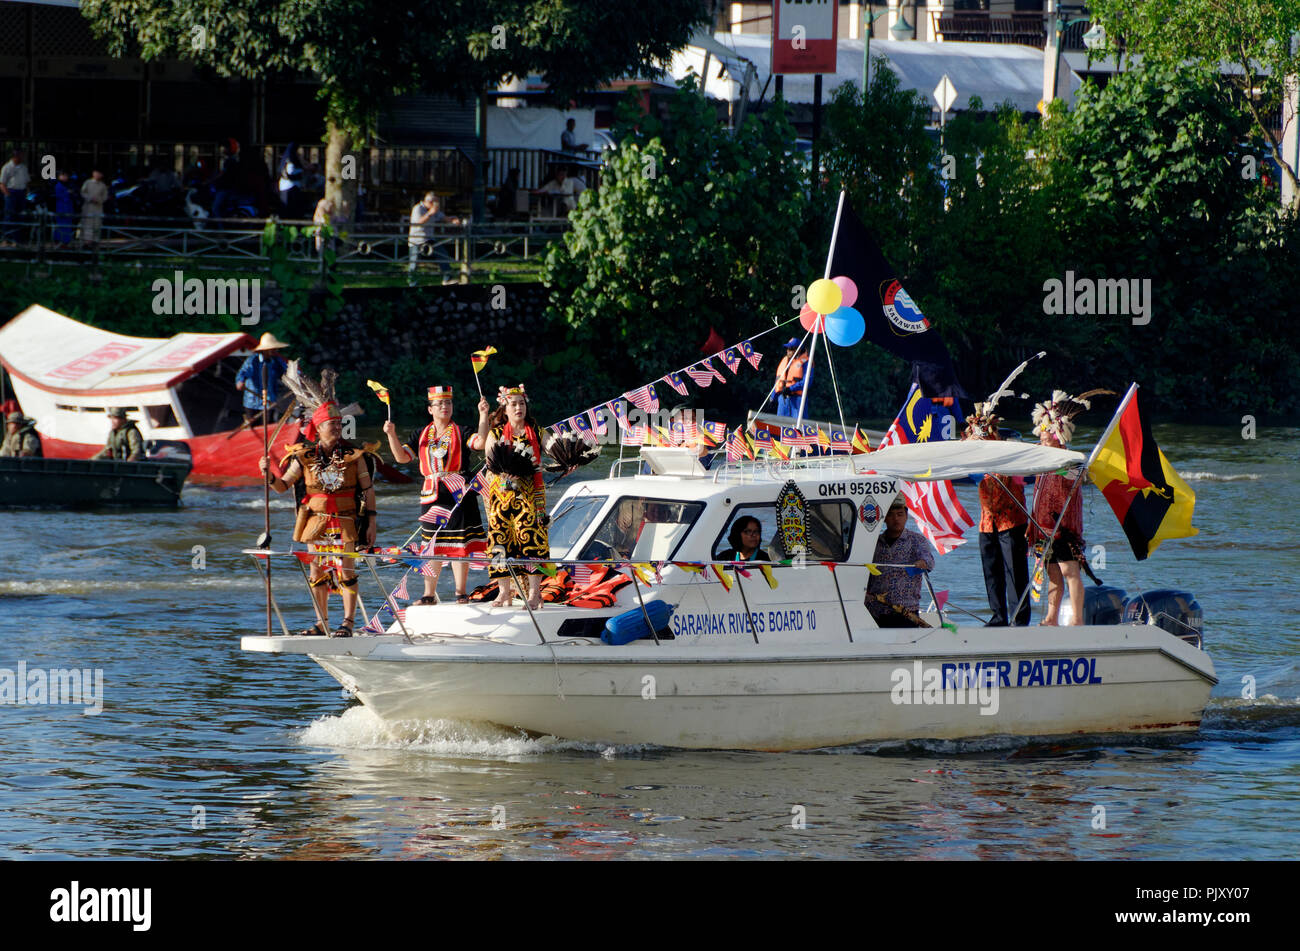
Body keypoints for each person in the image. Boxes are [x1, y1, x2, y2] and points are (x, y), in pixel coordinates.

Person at [260, 391, 377, 638]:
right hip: (315, 523)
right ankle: (321, 622)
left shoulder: (355, 457)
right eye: (330, 424)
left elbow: (367, 490)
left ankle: (347, 622)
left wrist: (372, 522)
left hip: (345, 521)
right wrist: (268, 475)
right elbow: (282, 486)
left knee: (347, 570)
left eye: (338, 423)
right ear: (318, 427)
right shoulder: (303, 457)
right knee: (317, 572)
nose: (336, 427)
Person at [383, 386, 491, 604]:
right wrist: (391, 434)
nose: (445, 407)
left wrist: (483, 415)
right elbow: (402, 458)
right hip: (432, 492)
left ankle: (461, 592)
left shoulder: (461, 431)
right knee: (431, 543)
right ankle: (428, 594)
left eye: (448, 403)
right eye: (440, 404)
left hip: (458, 489)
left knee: (461, 541)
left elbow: (480, 443)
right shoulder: (420, 434)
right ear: (430, 409)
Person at [1025, 389, 1108, 626]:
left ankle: (1077, 619)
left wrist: (1058, 468)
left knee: (1070, 571)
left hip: (1063, 526)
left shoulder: (1069, 459)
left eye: (1046, 432)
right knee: (1052, 574)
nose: (1042, 435)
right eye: (1041, 431)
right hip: (1043, 527)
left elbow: (1078, 476)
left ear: (1058, 433)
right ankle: (1051, 617)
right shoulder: (1042, 460)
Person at [480, 384, 548, 610]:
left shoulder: (536, 431)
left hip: (531, 495)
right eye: (513, 404)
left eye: (521, 403)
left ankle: (534, 594)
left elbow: (554, 448)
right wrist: (504, 472)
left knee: (533, 539)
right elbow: (490, 462)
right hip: (502, 495)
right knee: (499, 542)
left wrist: (569, 456)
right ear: (505, 409)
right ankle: (503, 592)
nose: (518, 407)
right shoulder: (496, 433)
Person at [963, 402, 1030, 626]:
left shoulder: (1009, 456)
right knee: (992, 573)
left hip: (1011, 522)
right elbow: (965, 463)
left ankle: (1019, 618)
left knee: (1015, 573)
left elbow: (1022, 477)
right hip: (987, 523)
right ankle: (998, 616)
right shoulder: (975, 459)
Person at [865, 496, 934, 628]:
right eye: (890, 515)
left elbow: (929, 561)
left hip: (905, 612)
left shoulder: (916, 540)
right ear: (884, 518)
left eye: (900, 514)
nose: (896, 519)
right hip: (875, 611)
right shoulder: (875, 543)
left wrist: (922, 563)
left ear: (906, 516)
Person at [235, 333, 291, 425]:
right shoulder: (253, 361)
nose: (274, 351)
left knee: (268, 424)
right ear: (265, 350)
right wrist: (240, 382)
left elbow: (288, 370)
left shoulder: (276, 361)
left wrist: (299, 379)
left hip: (269, 399)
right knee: (252, 425)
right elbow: (242, 373)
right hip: (252, 400)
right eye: (272, 349)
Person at [408, 192, 458, 284]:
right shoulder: (418, 208)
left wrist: (453, 220)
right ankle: (412, 283)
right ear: (430, 202)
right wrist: (430, 213)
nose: (437, 205)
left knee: (443, 254)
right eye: (436, 202)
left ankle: (447, 279)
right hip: (416, 240)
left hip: (430, 239)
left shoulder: (435, 211)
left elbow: (444, 218)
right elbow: (419, 222)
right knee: (414, 263)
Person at [774, 338, 811, 417]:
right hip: (783, 400)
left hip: (798, 400)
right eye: (787, 348)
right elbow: (778, 380)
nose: (788, 351)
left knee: (799, 426)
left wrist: (790, 389)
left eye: (790, 349)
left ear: (798, 349)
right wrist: (772, 397)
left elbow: (807, 382)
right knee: (780, 425)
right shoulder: (785, 361)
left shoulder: (806, 362)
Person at [0, 148, 30, 245]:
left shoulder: (24, 168)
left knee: (19, 216)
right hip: (11, 192)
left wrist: (26, 194)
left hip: (21, 193)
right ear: (15, 157)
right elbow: (2, 183)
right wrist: (8, 195)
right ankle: (6, 239)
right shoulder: (7, 167)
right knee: (9, 216)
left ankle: (17, 239)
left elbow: (27, 182)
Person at [79, 169, 108, 247]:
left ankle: (95, 242)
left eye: (100, 173)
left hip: (98, 208)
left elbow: (105, 197)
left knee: (97, 225)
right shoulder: (88, 183)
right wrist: (89, 198)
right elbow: (82, 193)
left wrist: (99, 200)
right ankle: (86, 243)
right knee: (87, 225)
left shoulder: (103, 185)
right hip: (88, 207)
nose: (98, 175)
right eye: (97, 173)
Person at [53, 171, 76, 247]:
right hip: (61, 209)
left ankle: (66, 242)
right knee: (62, 225)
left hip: (68, 208)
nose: (65, 177)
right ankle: (61, 242)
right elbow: (60, 196)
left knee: (68, 226)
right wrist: (68, 192)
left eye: (66, 175)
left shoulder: (69, 185)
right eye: (63, 175)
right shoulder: (58, 186)